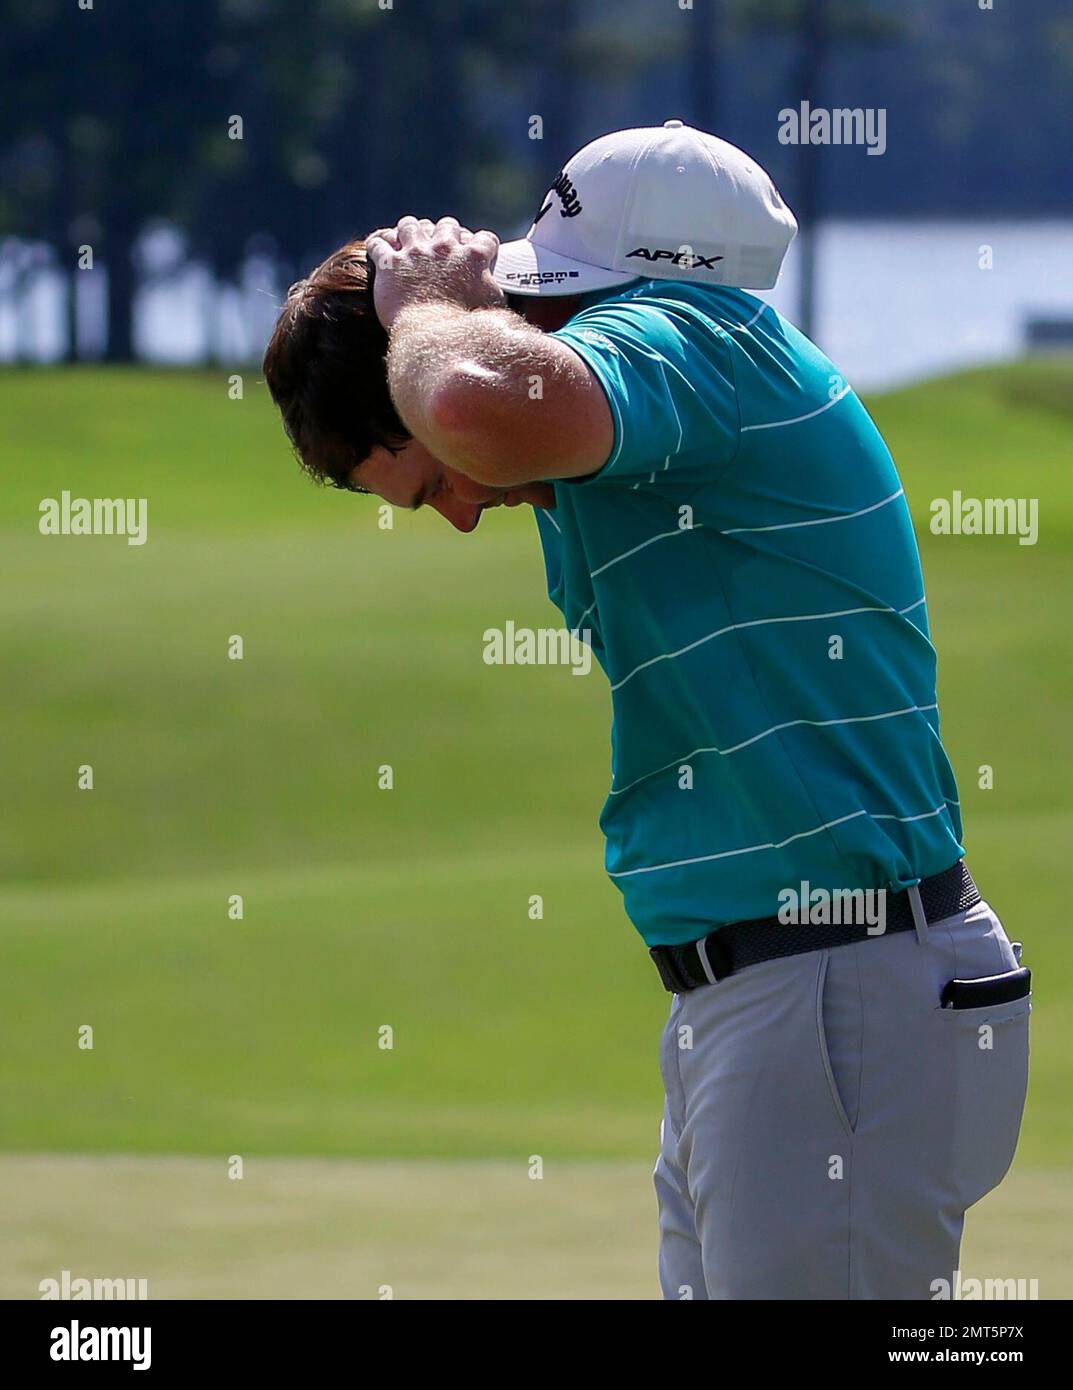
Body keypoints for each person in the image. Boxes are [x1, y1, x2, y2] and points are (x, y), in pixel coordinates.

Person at [263, 121, 1031, 1300]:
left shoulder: (695, 342)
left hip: (836, 987)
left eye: (427, 482)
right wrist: (393, 307)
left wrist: (418, 310)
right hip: (782, 1000)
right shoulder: (626, 435)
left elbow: (470, 395)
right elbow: (491, 397)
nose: (461, 513)